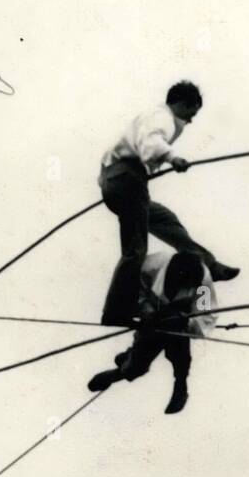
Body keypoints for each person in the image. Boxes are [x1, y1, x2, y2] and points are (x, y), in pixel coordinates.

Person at [99, 80, 239, 326]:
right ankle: (116, 312)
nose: (191, 121)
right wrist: (172, 158)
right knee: (135, 250)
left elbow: (205, 311)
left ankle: (209, 259)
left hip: (119, 178)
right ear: (183, 104)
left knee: (164, 218)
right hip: (126, 178)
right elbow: (151, 141)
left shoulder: (201, 277)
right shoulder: (162, 117)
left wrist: (196, 325)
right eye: (191, 113)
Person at [90, 249, 217, 416]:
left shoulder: (202, 281)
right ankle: (119, 372)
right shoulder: (150, 266)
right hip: (153, 314)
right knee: (138, 363)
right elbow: (137, 290)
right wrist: (146, 310)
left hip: (179, 318)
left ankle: (181, 385)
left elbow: (205, 315)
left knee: (179, 351)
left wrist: (187, 321)